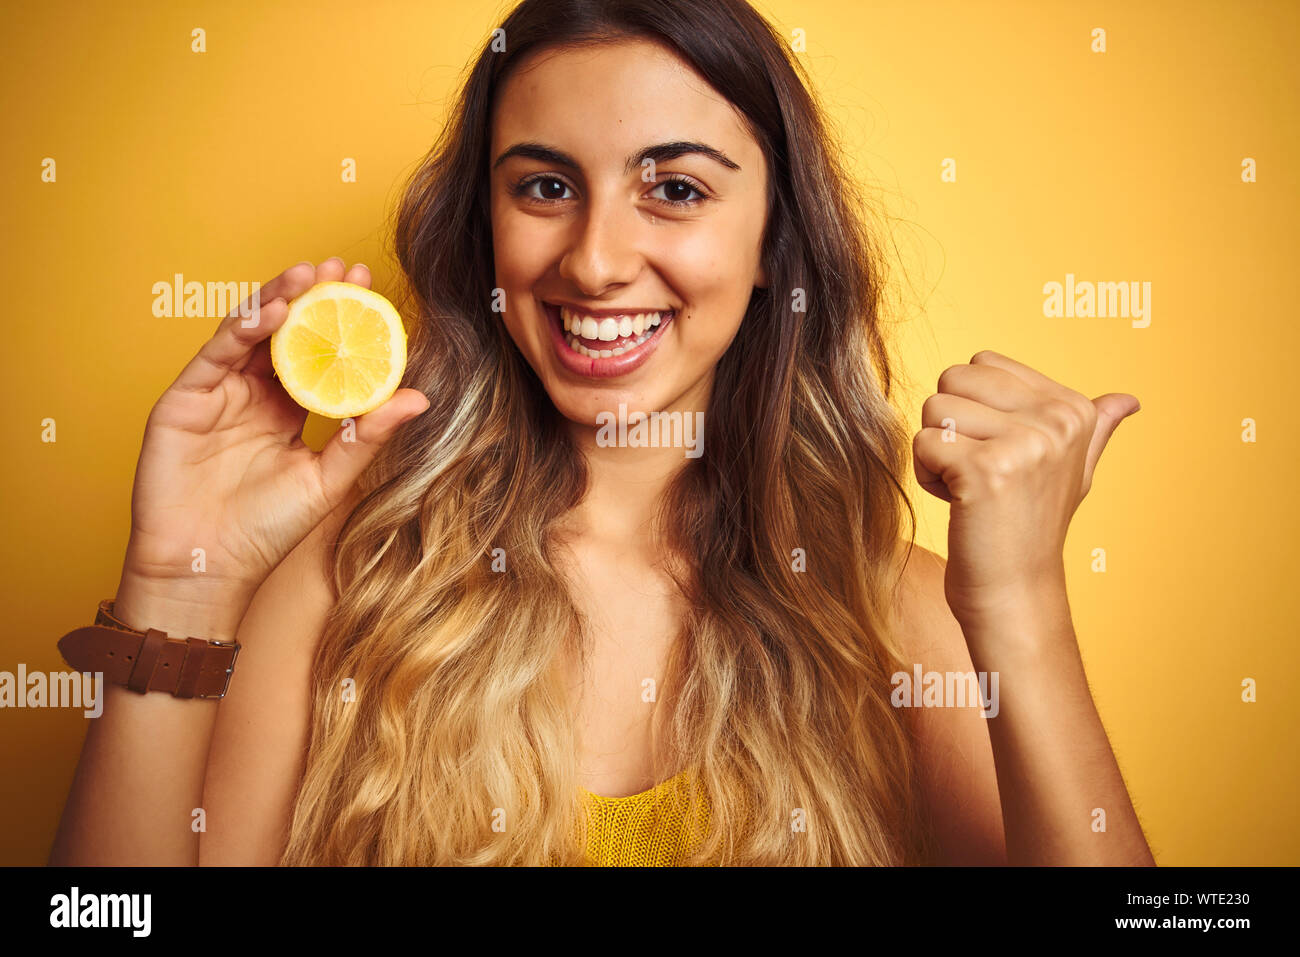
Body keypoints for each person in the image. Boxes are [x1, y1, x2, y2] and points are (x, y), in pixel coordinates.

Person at [49, 0, 1154, 866]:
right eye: (544, 187)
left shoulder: (898, 617)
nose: (592, 259)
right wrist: (177, 588)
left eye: (673, 188)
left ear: (775, 238)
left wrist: (1019, 604)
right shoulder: (352, 591)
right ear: (483, 232)